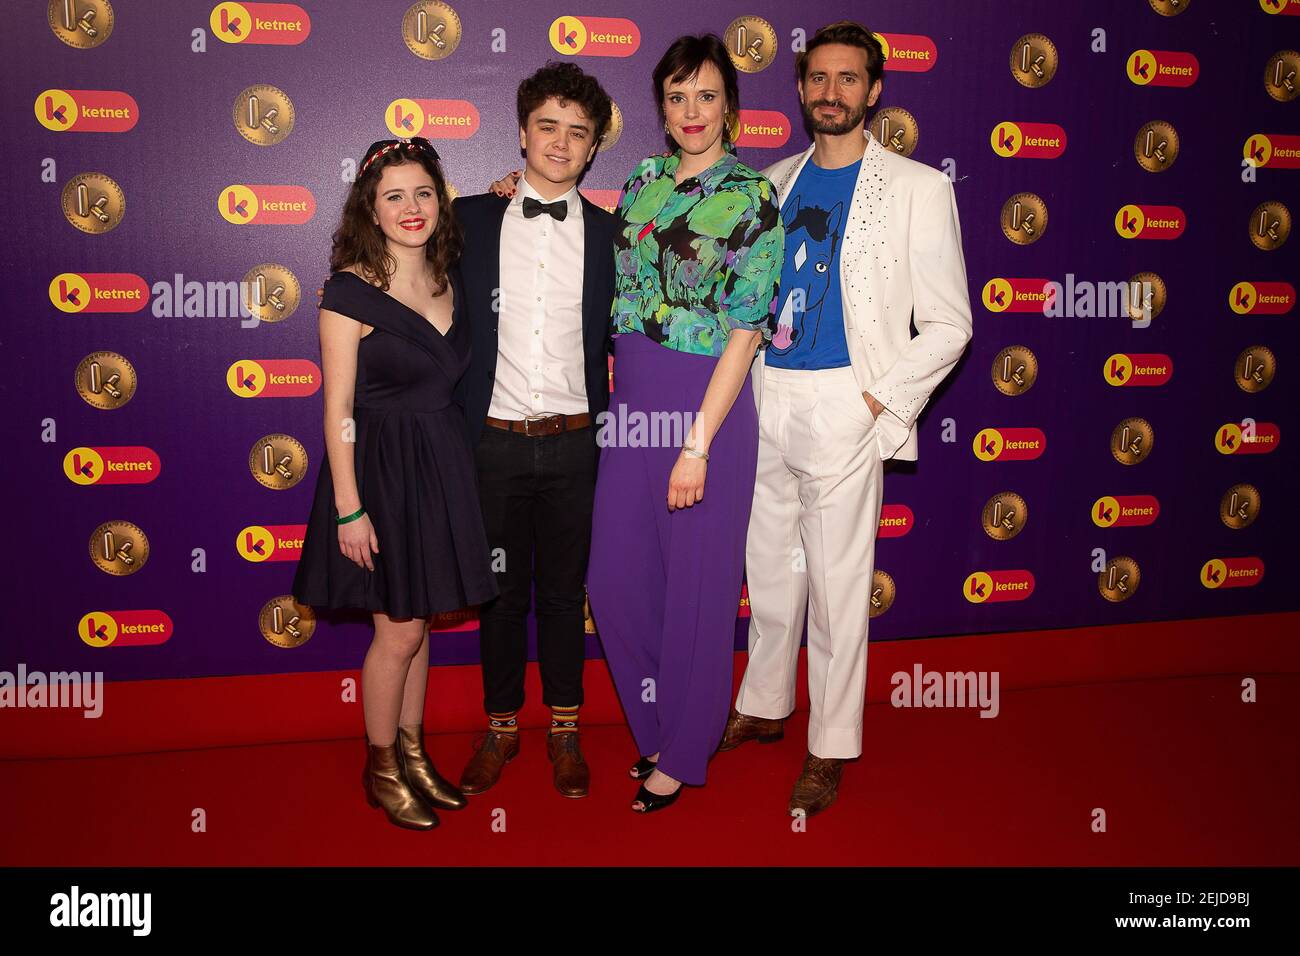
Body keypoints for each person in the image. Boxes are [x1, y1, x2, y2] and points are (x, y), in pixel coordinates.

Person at [720, 21, 973, 817]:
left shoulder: (918, 187)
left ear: (873, 90)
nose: (832, 92)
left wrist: (877, 400)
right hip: (766, 397)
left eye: (848, 79)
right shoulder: (772, 182)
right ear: (799, 90)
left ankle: (829, 743)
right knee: (769, 570)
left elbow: (951, 323)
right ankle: (764, 704)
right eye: (818, 79)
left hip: (844, 402)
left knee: (836, 586)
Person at [587, 34, 782, 813]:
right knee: (616, 578)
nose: (691, 111)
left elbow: (745, 331)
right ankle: (660, 725)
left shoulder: (755, 197)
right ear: (661, 109)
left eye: (706, 95)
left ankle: (685, 748)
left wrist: (696, 445)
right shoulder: (640, 179)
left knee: (699, 593)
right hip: (630, 398)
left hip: (706, 405)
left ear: (729, 106)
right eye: (676, 96)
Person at [292, 137, 499, 830]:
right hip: (378, 472)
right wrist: (350, 510)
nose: (411, 208)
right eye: (393, 196)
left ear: (440, 199)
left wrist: (505, 189)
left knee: (423, 621)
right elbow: (337, 409)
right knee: (399, 632)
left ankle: (412, 753)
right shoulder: (348, 290)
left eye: (423, 193)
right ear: (369, 208)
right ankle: (380, 766)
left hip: (439, 463)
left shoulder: (451, 275)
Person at [451, 63, 618, 799]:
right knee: (497, 593)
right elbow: (395, 265)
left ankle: (565, 728)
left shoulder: (617, 237)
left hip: (579, 443)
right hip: (490, 443)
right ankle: (499, 726)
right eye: (547, 126)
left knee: (562, 594)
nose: (560, 142)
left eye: (577, 133)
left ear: (591, 150)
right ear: (521, 133)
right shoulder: (467, 220)